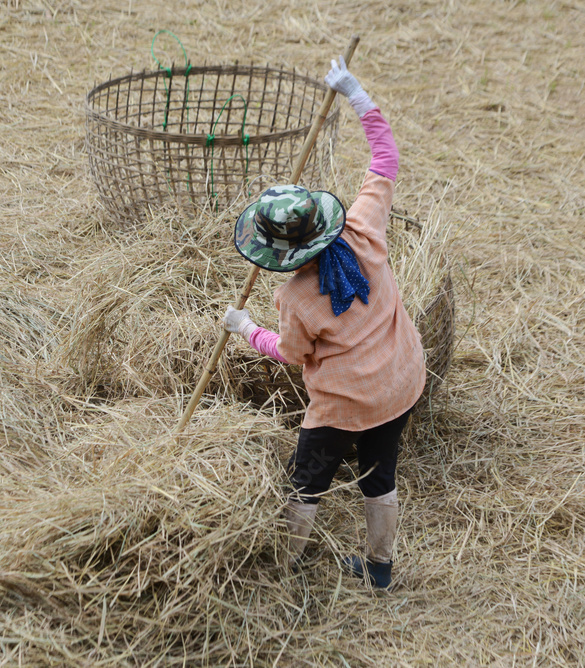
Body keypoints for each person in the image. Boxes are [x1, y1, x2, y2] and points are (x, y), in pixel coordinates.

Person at [222, 55, 425, 589]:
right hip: (401, 381)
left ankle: (285, 571)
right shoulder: (363, 231)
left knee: (306, 481)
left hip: (345, 400)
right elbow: (385, 159)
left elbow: (292, 355)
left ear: (279, 252)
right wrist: (357, 94)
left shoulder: (297, 297)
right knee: (380, 477)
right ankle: (380, 569)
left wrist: (244, 329)